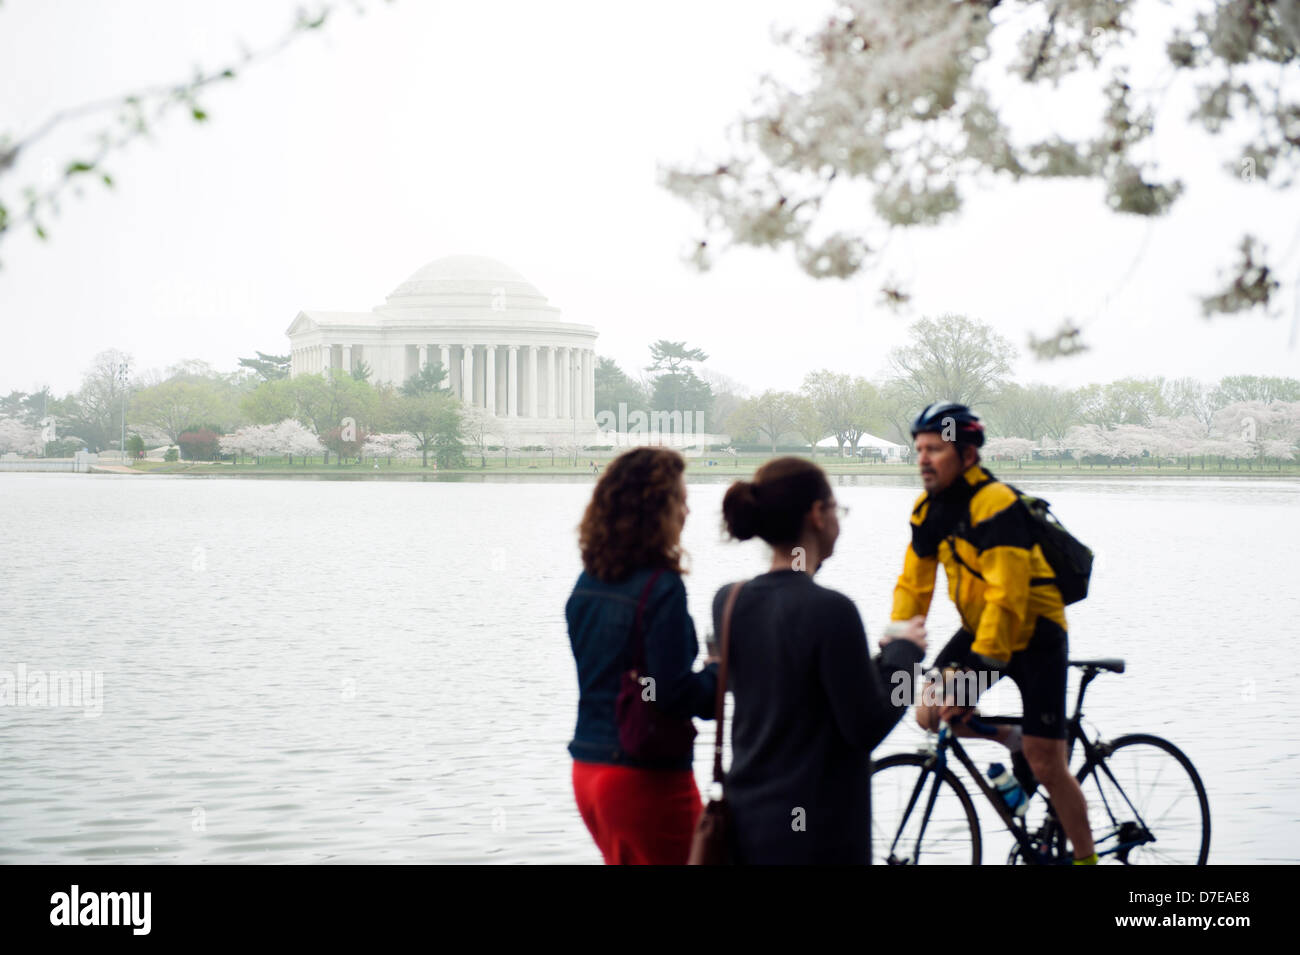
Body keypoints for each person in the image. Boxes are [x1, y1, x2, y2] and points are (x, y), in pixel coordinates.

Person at [890, 401, 1098, 864]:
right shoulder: (927, 511)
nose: (923, 458)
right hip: (981, 629)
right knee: (929, 711)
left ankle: (1086, 859)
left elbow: (1008, 594)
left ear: (967, 456)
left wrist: (981, 664)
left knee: (1048, 764)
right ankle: (1012, 739)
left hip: (1035, 632)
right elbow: (912, 584)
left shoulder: (997, 505)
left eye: (935, 449)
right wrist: (897, 645)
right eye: (919, 449)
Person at [714, 457, 926, 864]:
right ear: (816, 514)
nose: (838, 521)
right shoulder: (832, 610)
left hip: (749, 825)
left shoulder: (729, 601)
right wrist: (906, 655)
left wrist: (879, 663)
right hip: (820, 835)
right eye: (836, 509)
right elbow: (867, 726)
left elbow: (796, 689)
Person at [564, 446, 718, 864]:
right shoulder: (661, 588)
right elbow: (672, 695)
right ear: (657, 509)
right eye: (680, 500)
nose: (687, 512)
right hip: (643, 778)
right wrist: (718, 672)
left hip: (588, 772)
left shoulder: (585, 585)